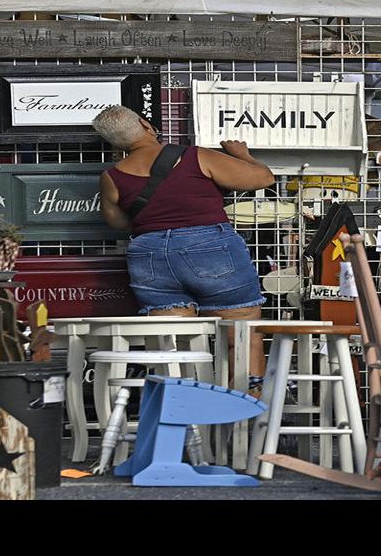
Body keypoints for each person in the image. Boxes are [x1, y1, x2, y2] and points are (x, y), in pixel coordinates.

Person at [92, 105, 275, 377]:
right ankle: (249, 413)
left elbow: (118, 222)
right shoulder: (196, 156)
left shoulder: (111, 177)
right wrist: (242, 155)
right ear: (145, 124)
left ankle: (181, 412)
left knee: (173, 345)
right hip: (211, 248)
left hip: (151, 255)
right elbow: (263, 179)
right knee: (241, 333)